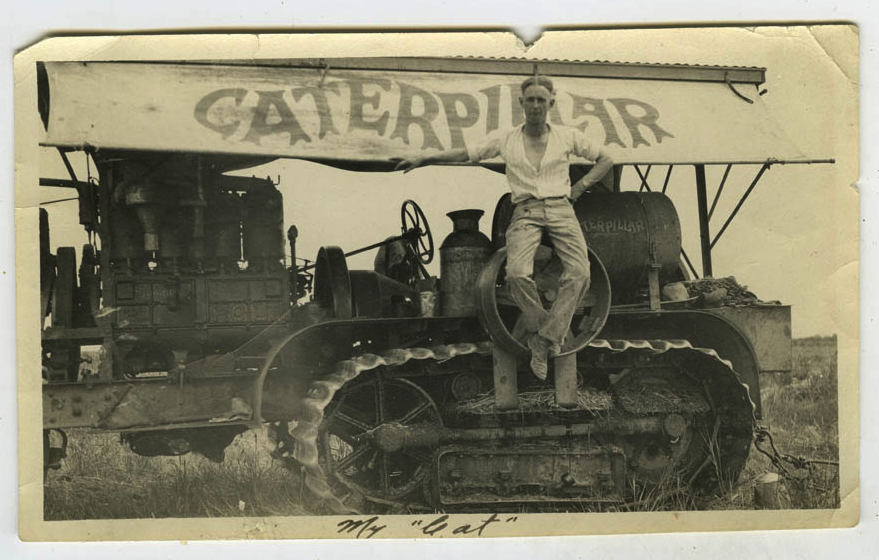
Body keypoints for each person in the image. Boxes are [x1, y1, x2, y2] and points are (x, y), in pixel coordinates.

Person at [392, 75, 614, 380]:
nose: (536, 105)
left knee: (581, 273)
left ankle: (544, 341)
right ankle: (543, 329)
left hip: (562, 209)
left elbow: (606, 159)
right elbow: (464, 153)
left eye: (541, 99)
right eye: (530, 100)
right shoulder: (506, 139)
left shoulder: (567, 136)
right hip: (525, 211)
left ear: (551, 103)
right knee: (517, 274)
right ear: (521, 103)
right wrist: (424, 158)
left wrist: (579, 189)